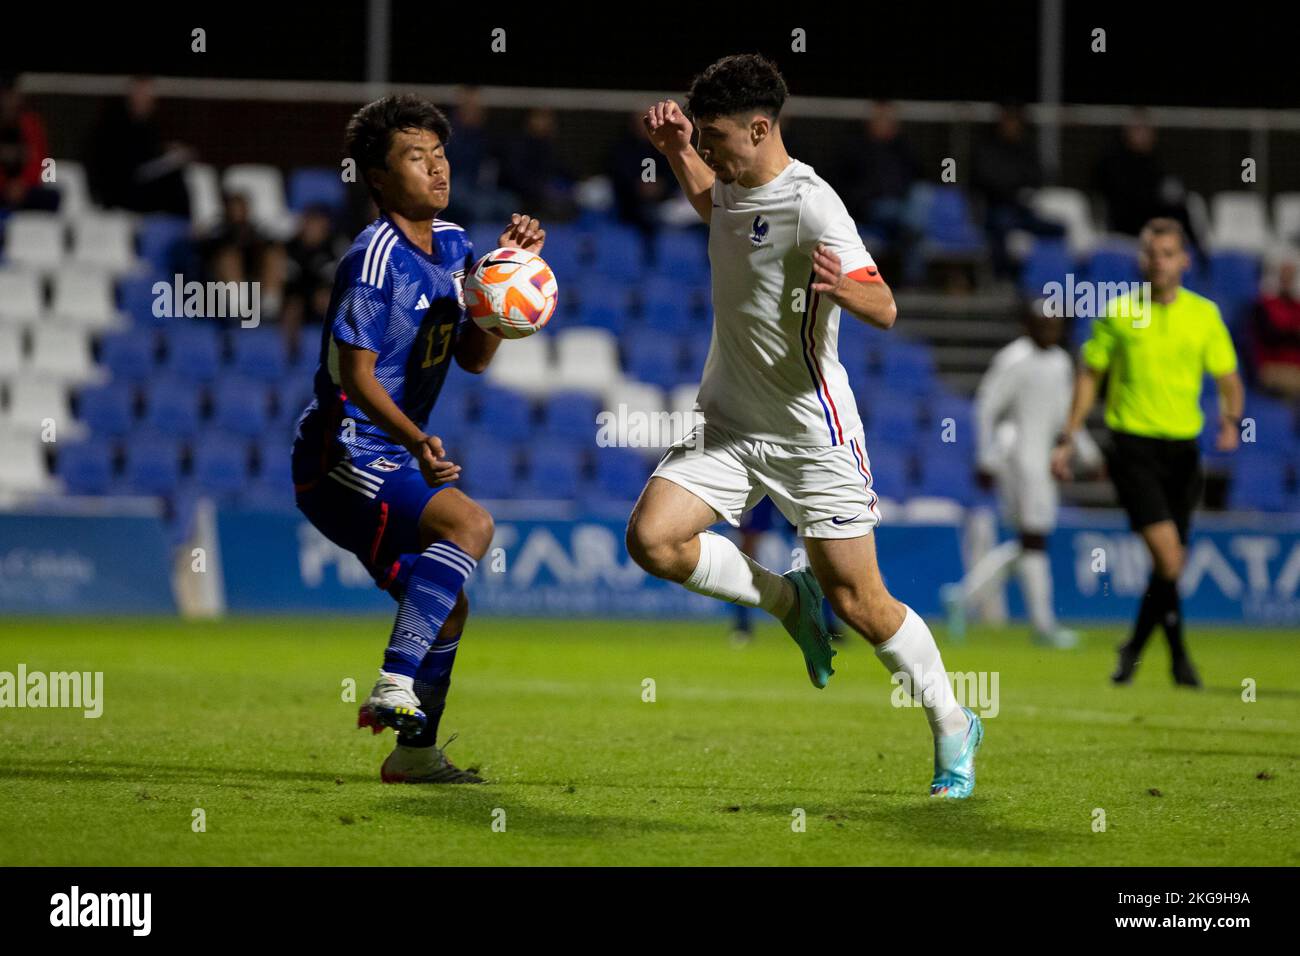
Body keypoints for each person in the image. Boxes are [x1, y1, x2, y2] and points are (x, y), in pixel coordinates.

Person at [626, 54, 983, 799]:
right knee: (653, 540)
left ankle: (953, 721)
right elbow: (715, 207)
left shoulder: (814, 204)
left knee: (862, 603)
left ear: (760, 129)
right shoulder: (729, 180)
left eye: (717, 136)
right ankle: (791, 603)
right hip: (727, 420)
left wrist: (846, 290)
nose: (711, 149)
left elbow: (885, 306)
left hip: (808, 434)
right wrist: (676, 150)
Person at [292, 93, 546, 783]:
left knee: (446, 604)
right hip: (341, 450)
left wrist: (501, 287)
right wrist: (420, 441)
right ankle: (393, 680)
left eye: (440, 155)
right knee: (470, 523)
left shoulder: (459, 245)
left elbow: (470, 355)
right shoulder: (374, 257)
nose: (436, 169)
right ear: (377, 177)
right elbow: (357, 377)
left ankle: (413, 756)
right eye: (415, 157)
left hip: (383, 451)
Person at [1052, 218, 1244, 687]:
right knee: (1170, 557)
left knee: (1169, 562)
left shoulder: (1204, 315)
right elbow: (1090, 373)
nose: (1157, 261)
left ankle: (1135, 649)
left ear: (1184, 261)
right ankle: (1177, 659)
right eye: (1150, 252)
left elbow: (1228, 378)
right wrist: (1069, 434)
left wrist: (1230, 420)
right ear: (1141, 259)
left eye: (1166, 253)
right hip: (1133, 446)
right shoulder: (1119, 312)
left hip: (1184, 451)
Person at [941, 301, 1101, 647]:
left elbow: (1065, 415)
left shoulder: (1059, 362)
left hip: (1041, 460)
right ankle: (1043, 627)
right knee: (1034, 540)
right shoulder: (1014, 359)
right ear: (1027, 326)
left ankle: (963, 597)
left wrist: (1088, 455)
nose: (1050, 329)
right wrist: (985, 458)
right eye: (1043, 323)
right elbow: (986, 406)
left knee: (1029, 543)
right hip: (1017, 458)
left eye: (1055, 324)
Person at [1250, 251, 1300, 398]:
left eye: (1291, 276)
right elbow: (1269, 337)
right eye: (1283, 275)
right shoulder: (1262, 306)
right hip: (1272, 368)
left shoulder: (1297, 306)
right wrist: (1293, 333)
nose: (1287, 280)